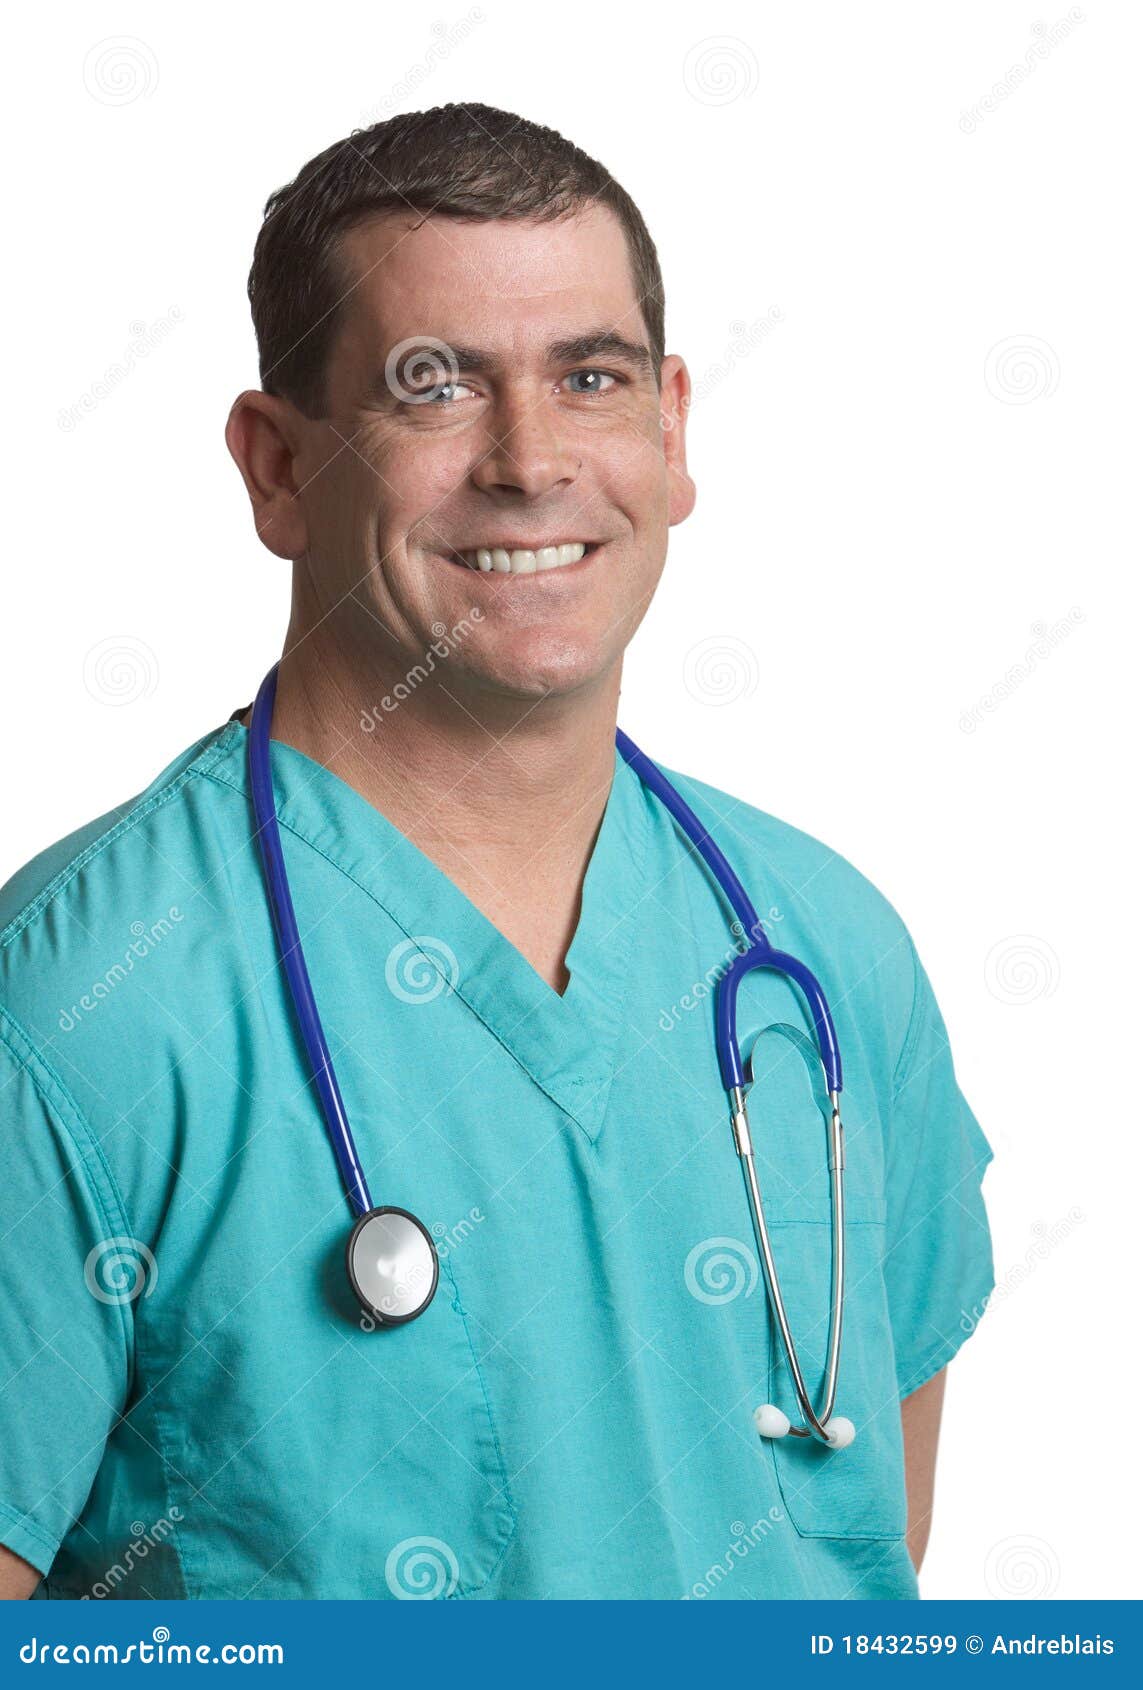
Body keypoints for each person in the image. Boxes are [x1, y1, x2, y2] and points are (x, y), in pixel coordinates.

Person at [0, 103, 993, 1601]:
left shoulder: (821, 949)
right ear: (275, 468)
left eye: (588, 378)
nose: (530, 464)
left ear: (666, 433)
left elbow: (867, 1548)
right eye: (433, 386)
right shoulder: (86, 1004)